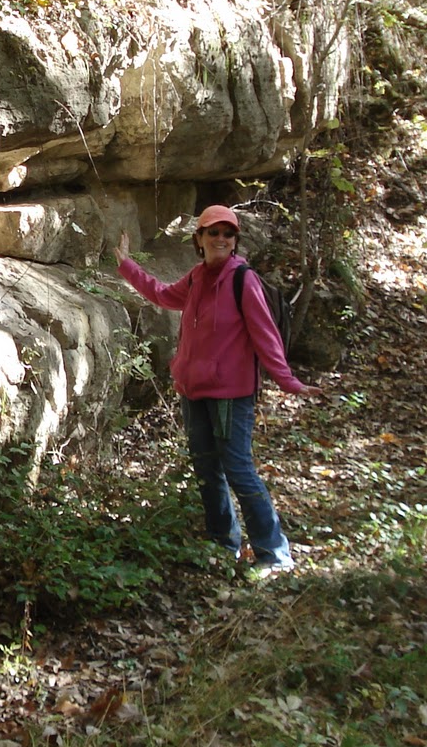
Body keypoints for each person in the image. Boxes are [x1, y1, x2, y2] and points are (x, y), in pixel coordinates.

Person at [115, 204, 321, 576]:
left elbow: (265, 336)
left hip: (230, 394)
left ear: (235, 240)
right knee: (206, 469)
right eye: (214, 233)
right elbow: (161, 294)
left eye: (228, 233)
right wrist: (128, 265)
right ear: (200, 239)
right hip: (194, 392)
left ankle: (274, 554)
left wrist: (287, 380)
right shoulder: (195, 278)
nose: (221, 239)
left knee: (239, 470)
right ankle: (223, 544)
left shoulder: (243, 281)